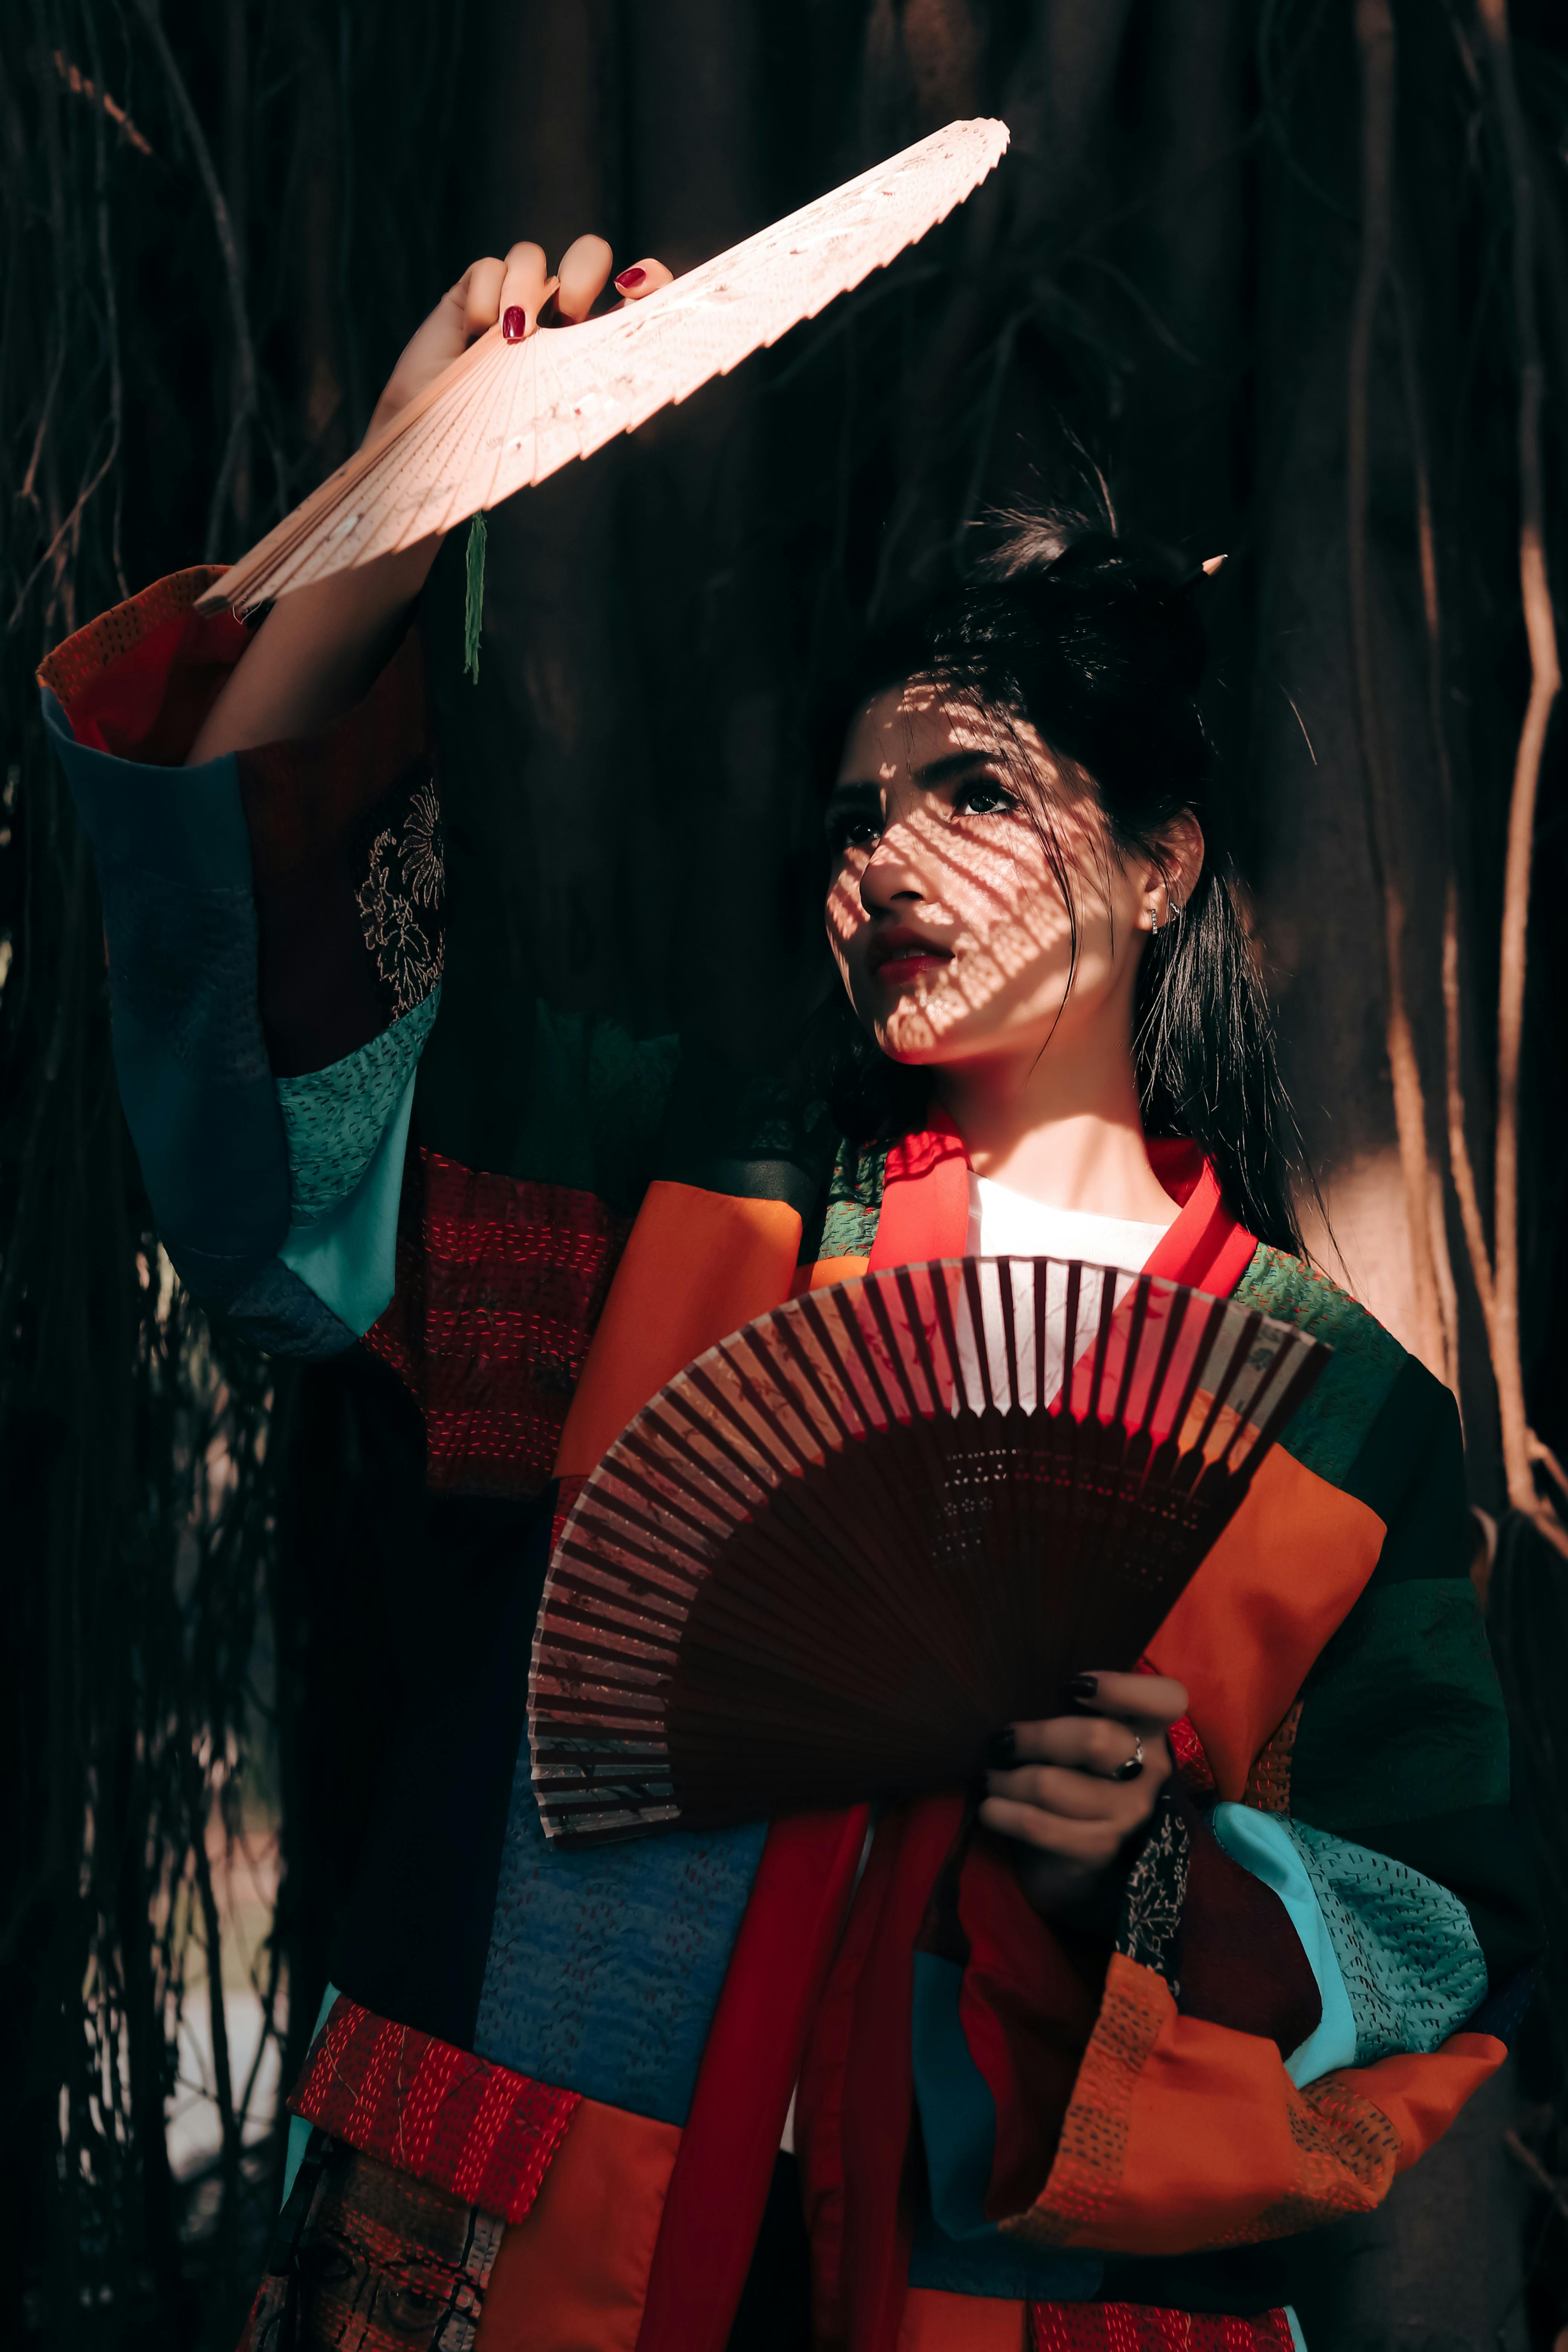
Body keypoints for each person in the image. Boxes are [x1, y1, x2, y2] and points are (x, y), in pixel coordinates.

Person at [38, 231, 1537, 2352]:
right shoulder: (689, 1188)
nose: (887, 861)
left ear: (1163, 859)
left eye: (975, 792)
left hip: (1005, 2294)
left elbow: (1443, 1939)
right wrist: (408, 481)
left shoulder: (1333, 1408)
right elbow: (288, 1108)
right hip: (532, 2238)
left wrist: (1159, 1869)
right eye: (851, 819)